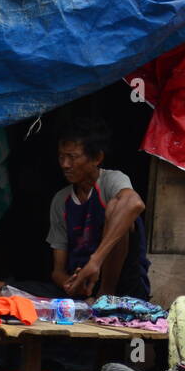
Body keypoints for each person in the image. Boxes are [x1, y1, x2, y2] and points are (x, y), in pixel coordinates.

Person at [47, 117, 150, 299]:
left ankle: (106, 295)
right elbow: (58, 271)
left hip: (124, 288)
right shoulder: (61, 200)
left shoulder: (111, 181)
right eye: (61, 157)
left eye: (72, 157)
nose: (65, 164)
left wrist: (95, 261)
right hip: (84, 290)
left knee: (117, 209)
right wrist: (71, 283)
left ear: (97, 158)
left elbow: (135, 203)